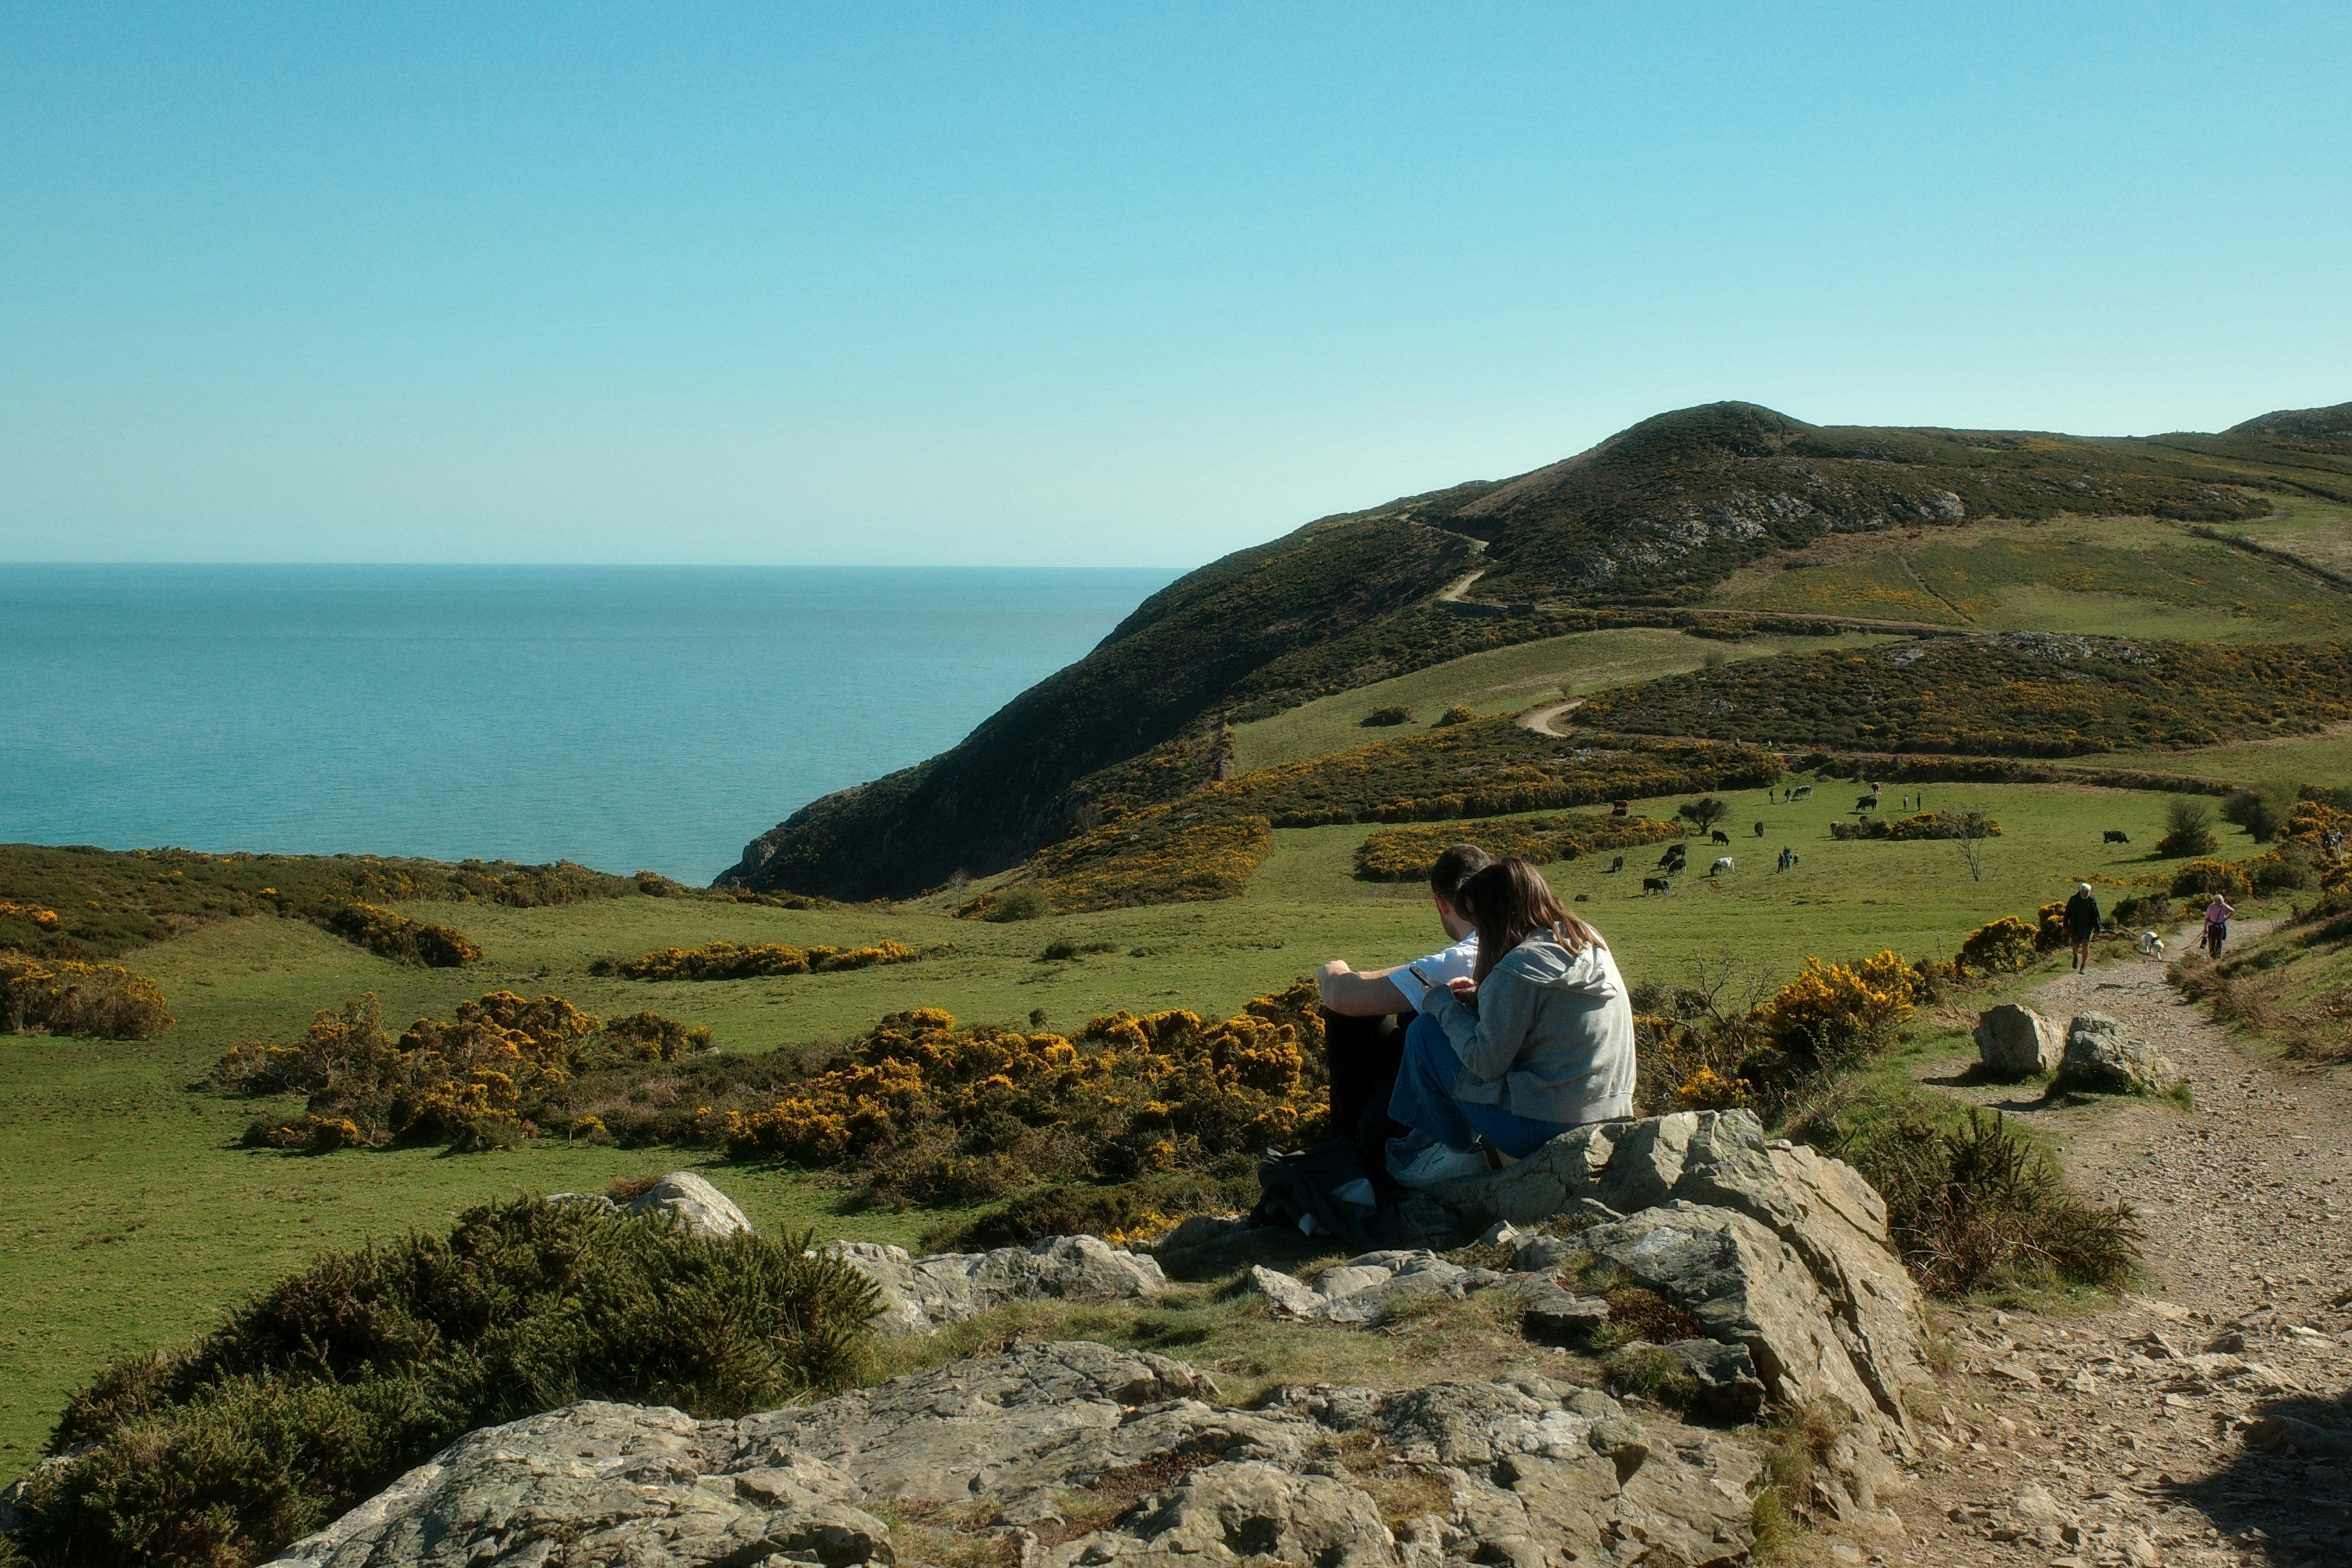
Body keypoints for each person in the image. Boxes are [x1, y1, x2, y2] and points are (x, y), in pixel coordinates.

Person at [1385, 858, 1636, 1186]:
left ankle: (1456, 1154)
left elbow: (1484, 1063)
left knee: (1424, 1031)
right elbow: (1547, 1013)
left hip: (1543, 1127)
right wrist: (1484, 995)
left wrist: (1444, 1006)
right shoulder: (1584, 940)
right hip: (1611, 1109)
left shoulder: (1520, 966)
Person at [1316, 842, 1490, 1161]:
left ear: (1441, 902)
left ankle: (1348, 1151)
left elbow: (1342, 995)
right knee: (1414, 1016)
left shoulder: (1467, 956)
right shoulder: (1539, 937)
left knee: (1353, 1018)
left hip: (1472, 1094)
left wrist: (1334, 968)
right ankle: (1351, 1145)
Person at [2064, 881, 2102, 974]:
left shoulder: (2092, 901)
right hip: (2075, 926)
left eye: (2087, 892)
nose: (2086, 893)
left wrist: (2097, 930)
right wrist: (2065, 926)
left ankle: (2083, 966)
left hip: (2087, 927)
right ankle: (2075, 956)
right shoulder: (2073, 900)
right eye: (2084, 891)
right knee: (2075, 946)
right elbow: (2067, 914)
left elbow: (2096, 915)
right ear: (2080, 891)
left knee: (2085, 945)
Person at [2204, 891, 2236, 960]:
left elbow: (2232, 911)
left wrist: (2226, 918)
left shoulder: (2224, 906)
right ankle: (2212, 955)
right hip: (2212, 925)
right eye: (2217, 902)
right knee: (2211, 940)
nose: (2218, 904)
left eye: (2219, 903)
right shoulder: (2211, 907)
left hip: (2220, 926)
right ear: (2215, 901)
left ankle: (2218, 955)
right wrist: (2205, 929)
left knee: (2219, 940)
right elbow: (2207, 917)